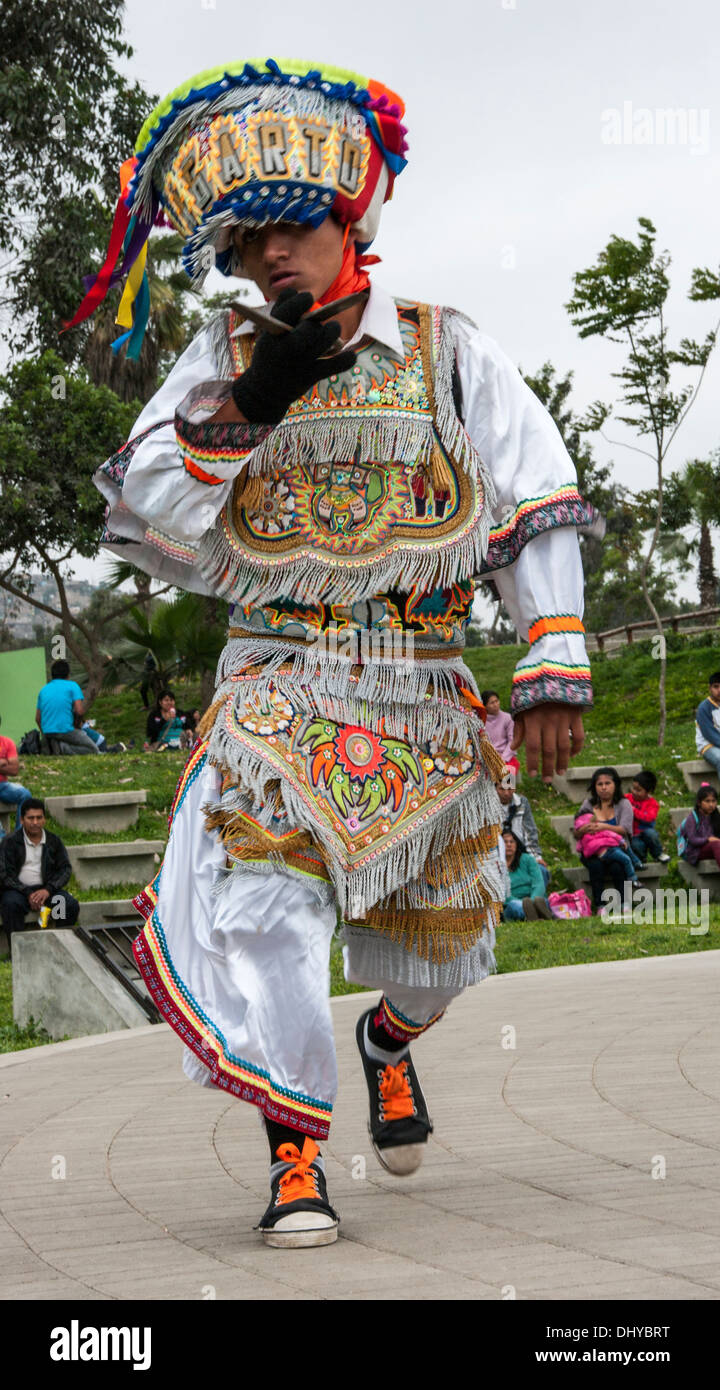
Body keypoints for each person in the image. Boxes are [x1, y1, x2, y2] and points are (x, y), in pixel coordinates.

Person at [77, 58, 598, 1248]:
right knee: (269, 908)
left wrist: (551, 658)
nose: (272, 256)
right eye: (249, 239)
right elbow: (149, 488)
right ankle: (296, 1155)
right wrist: (254, 399)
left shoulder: (447, 347)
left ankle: (388, 1041)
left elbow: (536, 491)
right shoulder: (223, 356)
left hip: (424, 687)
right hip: (278, 680)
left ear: (348, 219)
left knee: (446, 951)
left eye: (293, 228)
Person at [0, 798, 79, 940]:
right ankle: (18, 950)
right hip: (18, 892)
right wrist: (28, 893)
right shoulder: (10, 842)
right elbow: (5, 874)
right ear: (22, 820)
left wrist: (48, 890)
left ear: (44, 819)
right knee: (10, 905)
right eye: (31, 818)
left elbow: (65, 869)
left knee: (68, 904)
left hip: (47, 891)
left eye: (39, 817)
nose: (35, 822)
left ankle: (62, 944)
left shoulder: (54, 841)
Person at [573, 767, 639, 911]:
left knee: (617, 867)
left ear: (615, 785)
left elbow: (625, 830)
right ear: (594, 787)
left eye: (607, 783)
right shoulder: (588, 805)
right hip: (593, 851)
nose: (604, 788)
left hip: (618, 849)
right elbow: (577, 832)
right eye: (600, 784)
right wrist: (583, 830)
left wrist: (603, 827)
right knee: (596, 866)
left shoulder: (623, 804)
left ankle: (624, 903)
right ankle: (600, 905)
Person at [497, 768, 550, 887]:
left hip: (520, 853)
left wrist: (535, 857)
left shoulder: (522, 803)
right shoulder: (487, 805)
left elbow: (530, 832)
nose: (506, 793)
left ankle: (537, 901)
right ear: (495, 788)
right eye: (502, 789)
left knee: (541, 872)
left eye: (510, 788)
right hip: (497, 855)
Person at [36, 660, 99, 755]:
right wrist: (77, 727)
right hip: (66, 730)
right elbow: (79, 711)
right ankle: (62, 748)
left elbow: (37, 719)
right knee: (92, 749)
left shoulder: (43, 690)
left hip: (47, 733)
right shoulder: (73, 686)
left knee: (59, 738)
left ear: (52, 675)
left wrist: (45, 734)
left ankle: (52, 745)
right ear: (68, 674)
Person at [501, 830, 553, 920]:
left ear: (517, 845)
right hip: (512, 902)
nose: (509, 844)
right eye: (505, 842)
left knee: (541, 901)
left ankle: (533, 915)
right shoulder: (496, 865)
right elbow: (504, 894)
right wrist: (524, 904)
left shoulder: (528, 859)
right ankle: (536, 915)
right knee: (515, 906)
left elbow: (538, 884)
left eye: (512, 841)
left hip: (534, 898)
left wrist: (532, 901)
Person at [626, 769, 670, 864]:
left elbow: (648, 818)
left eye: (638, 790)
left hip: (645, 830)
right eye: (633, 788)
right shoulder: (627, 798)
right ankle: (641, 859)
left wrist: (633, 811)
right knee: (636, 845)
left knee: (652, 835)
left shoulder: (652, 804)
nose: (634, 792)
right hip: (632, 833)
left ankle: (658, 854)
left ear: (648, 791)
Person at [0, 716, 32, 837]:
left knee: (25, 794)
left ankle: (19, 836)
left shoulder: (7, 743)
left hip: (2, 785)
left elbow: (14, 769)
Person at [678, 783, 720, 869]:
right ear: (699, 803)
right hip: (695, 851)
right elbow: (692, 839)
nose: (711, 805)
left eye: (713, 801)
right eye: (707, 801)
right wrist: (708, 839)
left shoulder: (715, 816)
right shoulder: (693, 818)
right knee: (715, 844)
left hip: (713, 848)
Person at [481, 690, 519, 773]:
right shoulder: (481, 721)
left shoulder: (507, 718)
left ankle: (504, 785)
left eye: (496, 701)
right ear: (485, 706)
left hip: (505, 757)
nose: (496, 704)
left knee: (508, 784)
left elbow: (512, 741)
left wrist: (503, 758)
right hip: (488, 758)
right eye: (492, 703)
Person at [695, 672, 720, 778]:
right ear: (710, 688)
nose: (719, 690)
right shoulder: (704, 708)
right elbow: (709, 734)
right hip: (708, 745)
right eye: (716, 687)